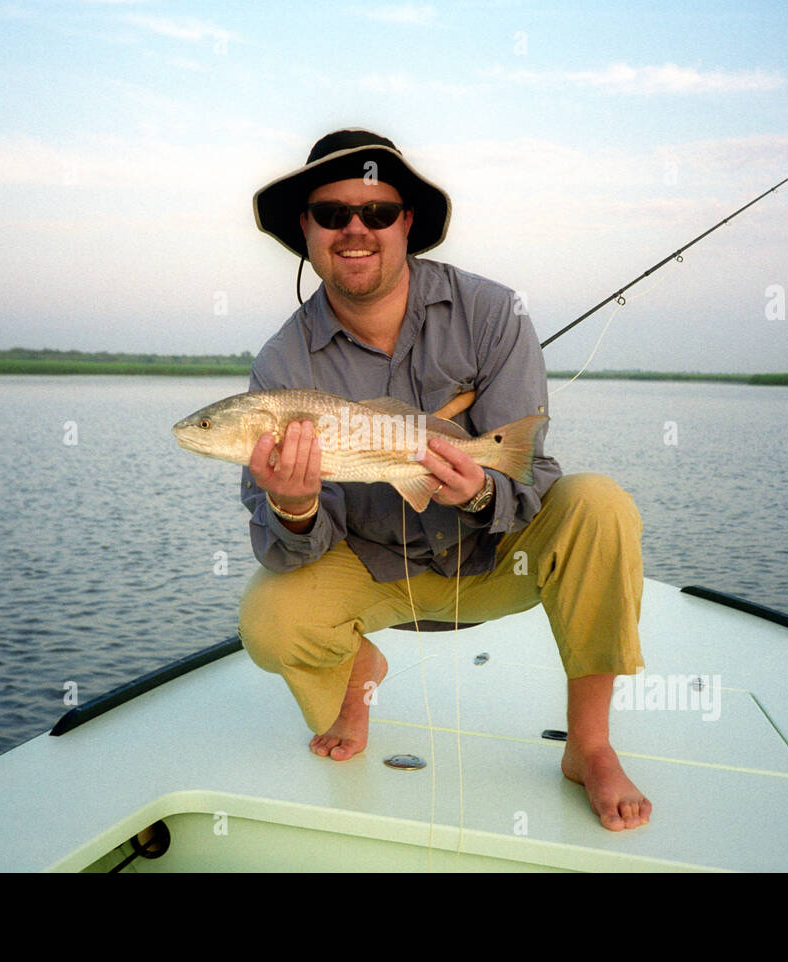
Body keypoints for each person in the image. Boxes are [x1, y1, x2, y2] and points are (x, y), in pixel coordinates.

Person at [237, 129, 651, 832]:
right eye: (332, 213)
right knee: (268, 617)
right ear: (305, 229)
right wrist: (295, 503)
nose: (355, 229)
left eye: (377, 211)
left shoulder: (493, 313)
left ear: (409, 223)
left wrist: (481, 490)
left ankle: (589, 746)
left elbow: (533, 471)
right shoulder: (281, 364)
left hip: (495, 555)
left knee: (599, 504)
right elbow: (284, 550)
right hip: (375, 569)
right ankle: (358, 679)